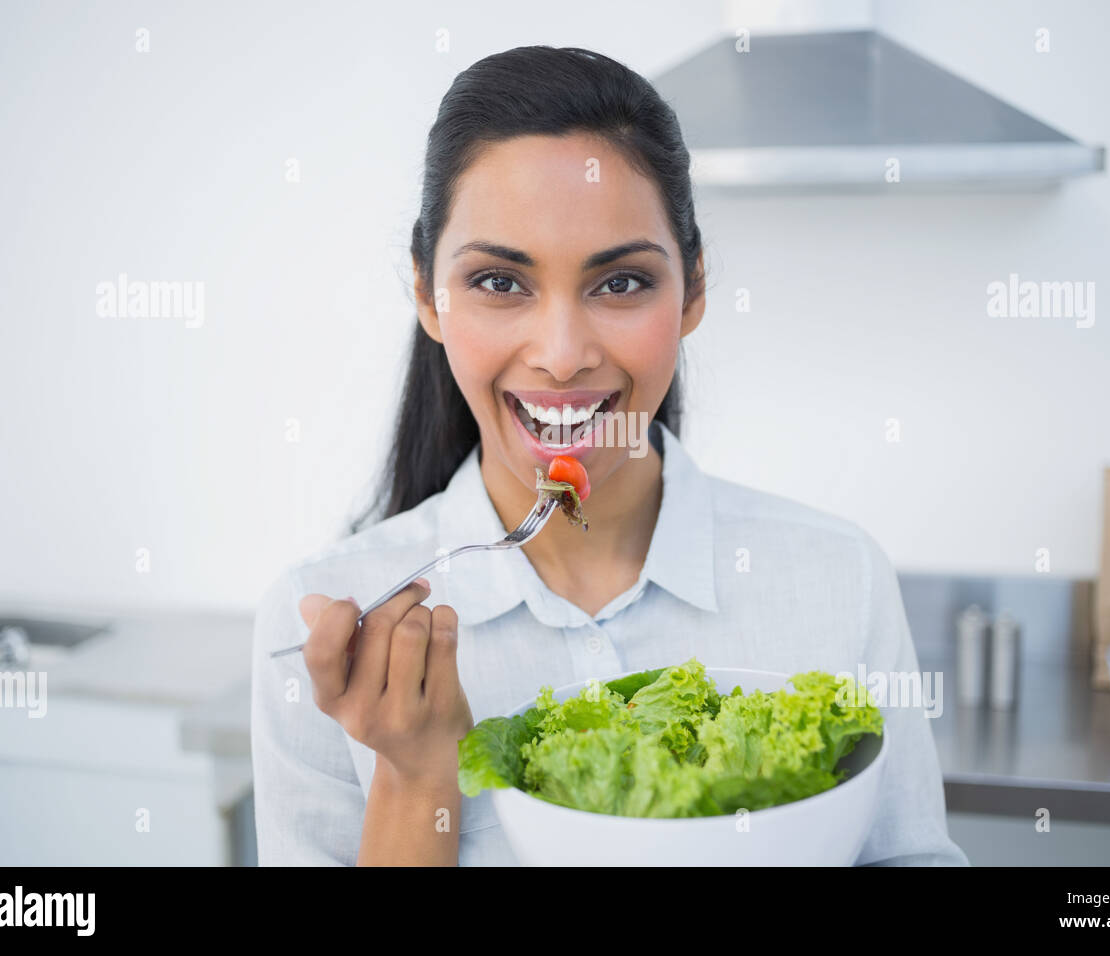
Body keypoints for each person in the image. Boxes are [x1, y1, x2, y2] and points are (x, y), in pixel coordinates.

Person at [251, 44, 968, 867]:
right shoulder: (320, 628)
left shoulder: (839, 581)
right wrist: (418, 781)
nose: (561, 355)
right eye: (499, 282)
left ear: (692, 290)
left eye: (620, 283)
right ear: (428, 296)